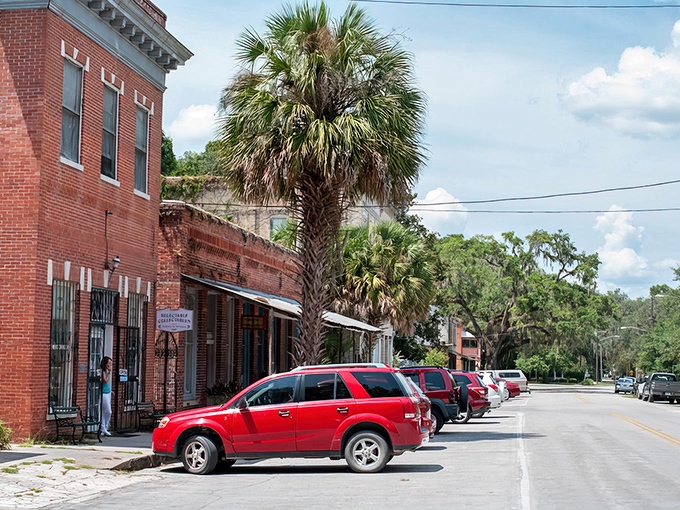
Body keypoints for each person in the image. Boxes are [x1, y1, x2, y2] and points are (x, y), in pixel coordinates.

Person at [101, 356, 112, 436]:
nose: (110, 365)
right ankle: (103, 427)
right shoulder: (102, 372)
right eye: (109, 364)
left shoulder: (105, 371)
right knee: (107, 411)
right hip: (103, 392)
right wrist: (109, 373)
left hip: (108, 392)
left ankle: (105, 427)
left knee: (106, 411)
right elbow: (105, 380)